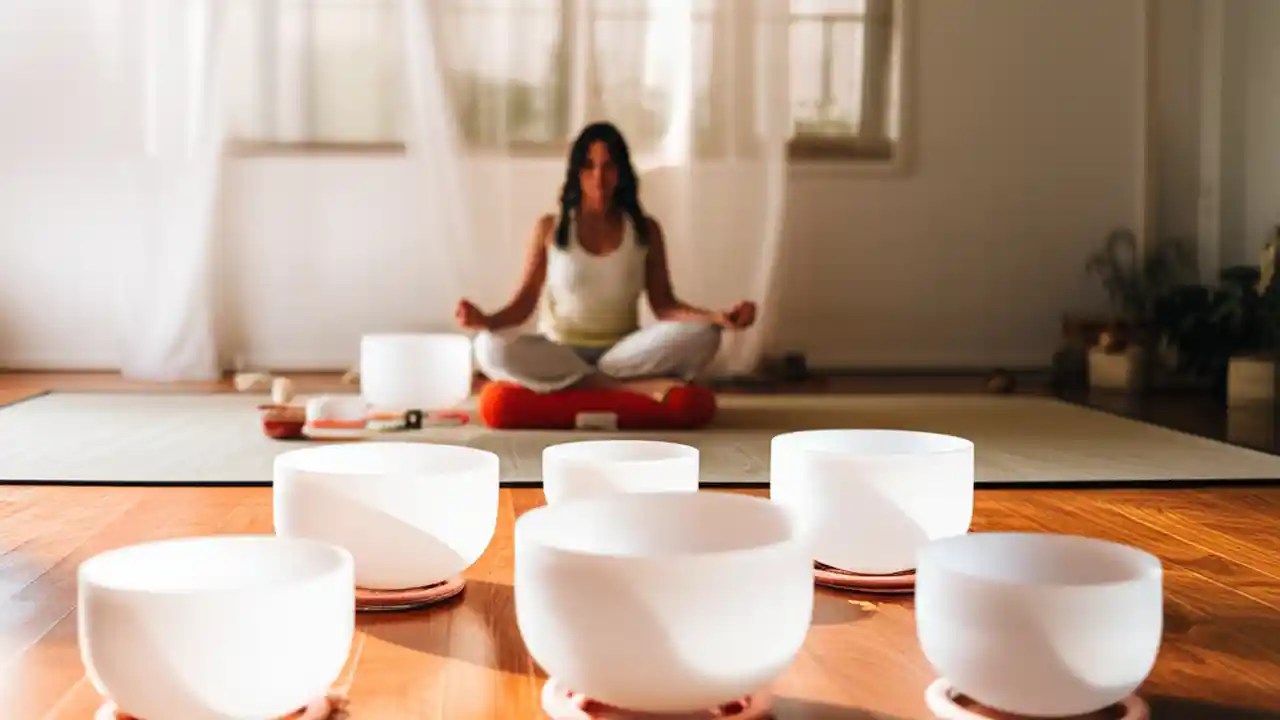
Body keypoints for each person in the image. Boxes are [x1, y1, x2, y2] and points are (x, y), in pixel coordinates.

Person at [455, 121, 756, 395]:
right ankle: (619, 388)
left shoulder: (645, 230)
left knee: (706, 335)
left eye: (608, 166)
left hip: (623, 355)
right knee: (488, 347)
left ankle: (584, 384)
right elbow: (522, 305)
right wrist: (486, 320)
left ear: (621, 173)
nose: (598, 177)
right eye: (588, 166)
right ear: (576, 173)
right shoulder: (550, 228)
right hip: (560, 354)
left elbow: (665, 306)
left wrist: (717, 318)